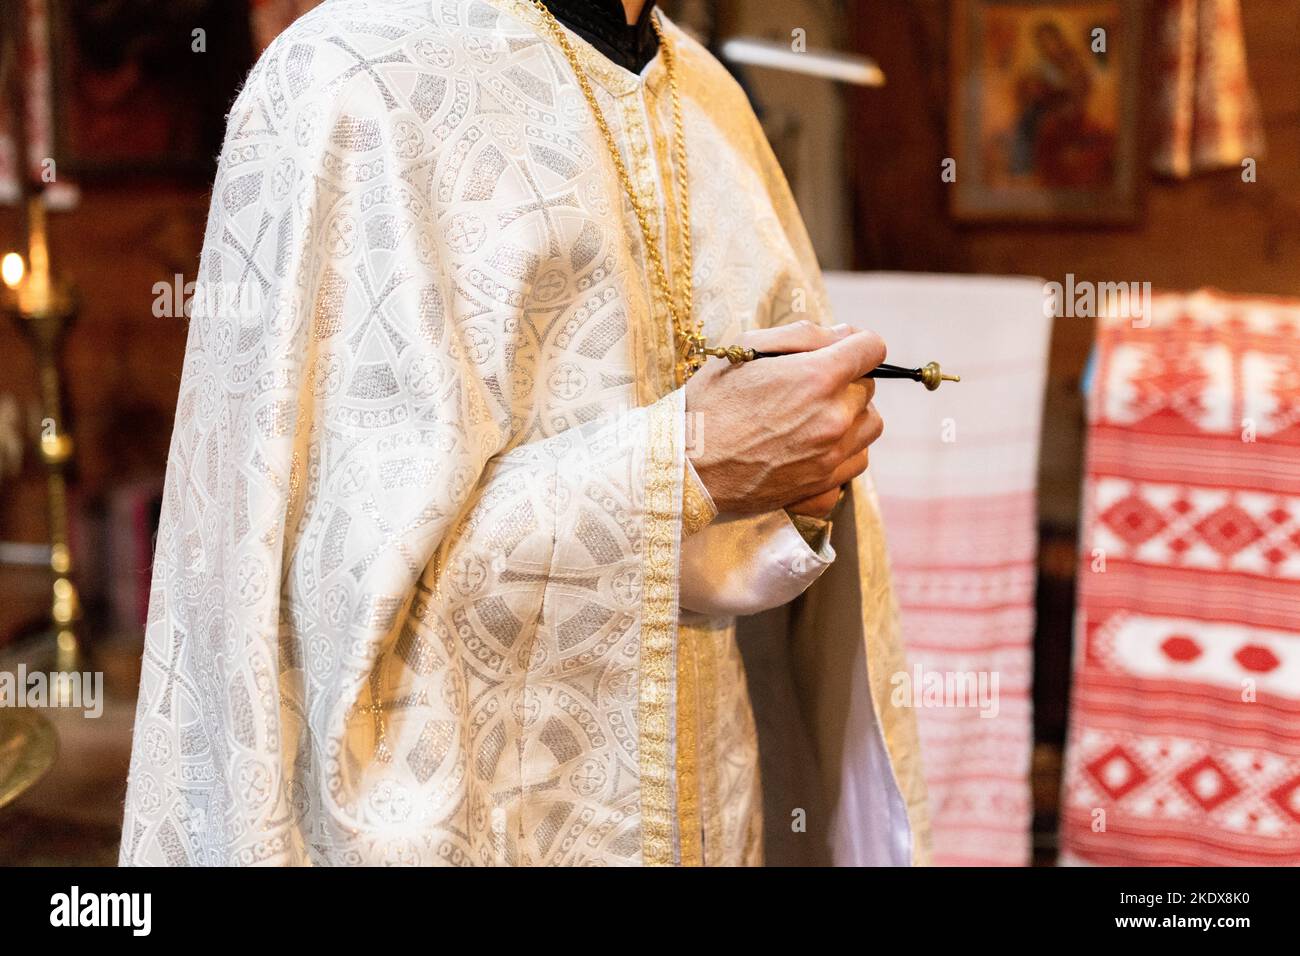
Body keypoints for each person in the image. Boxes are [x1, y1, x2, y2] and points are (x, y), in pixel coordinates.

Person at [119, 0, 929, 866]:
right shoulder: (350, 78)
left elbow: (757, 561)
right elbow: (305, 606)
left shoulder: (713, 101)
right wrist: (685, 462)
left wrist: (796, 484)